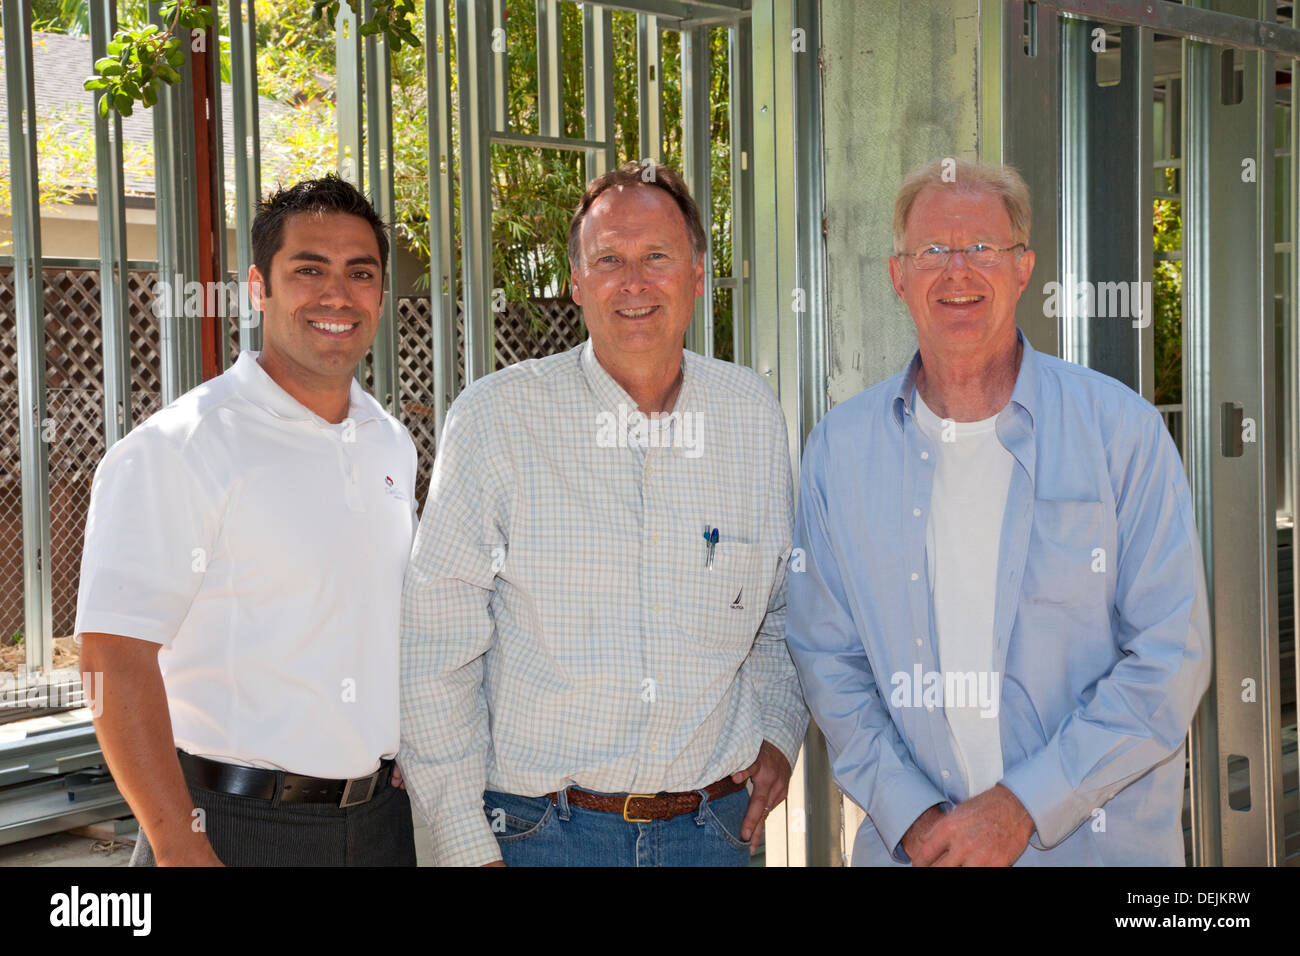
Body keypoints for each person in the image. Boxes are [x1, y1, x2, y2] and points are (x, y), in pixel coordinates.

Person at [786, 158, 1211, 866]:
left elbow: (1169, 658)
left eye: (982, 248)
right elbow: (828, 659)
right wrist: (913, 815)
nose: (958, 272)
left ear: (1023, 269)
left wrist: (1025, 807)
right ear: (899, 277)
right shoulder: (840, 452)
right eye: (933, 252)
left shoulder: (1121, 433)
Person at [399, 161, 808, 867]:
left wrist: (777, 728)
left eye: (657, 257)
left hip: (710, 832)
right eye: (609, 260)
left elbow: (780, 612)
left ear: (699, 272)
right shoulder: (498, 421)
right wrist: (467, 843)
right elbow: (435, 649)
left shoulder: (751, 417)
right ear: (576, 282)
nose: (634, 282)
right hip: (537, 835)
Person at [75, 175, 419, 866]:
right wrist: (179, 843)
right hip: (231, 828)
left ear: (381, 294)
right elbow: (111, 659)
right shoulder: (179, 447)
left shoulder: (388, 440)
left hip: (383, 824)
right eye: (308, 270)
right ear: (259, 289)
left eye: (360, 273)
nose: (336, 294)